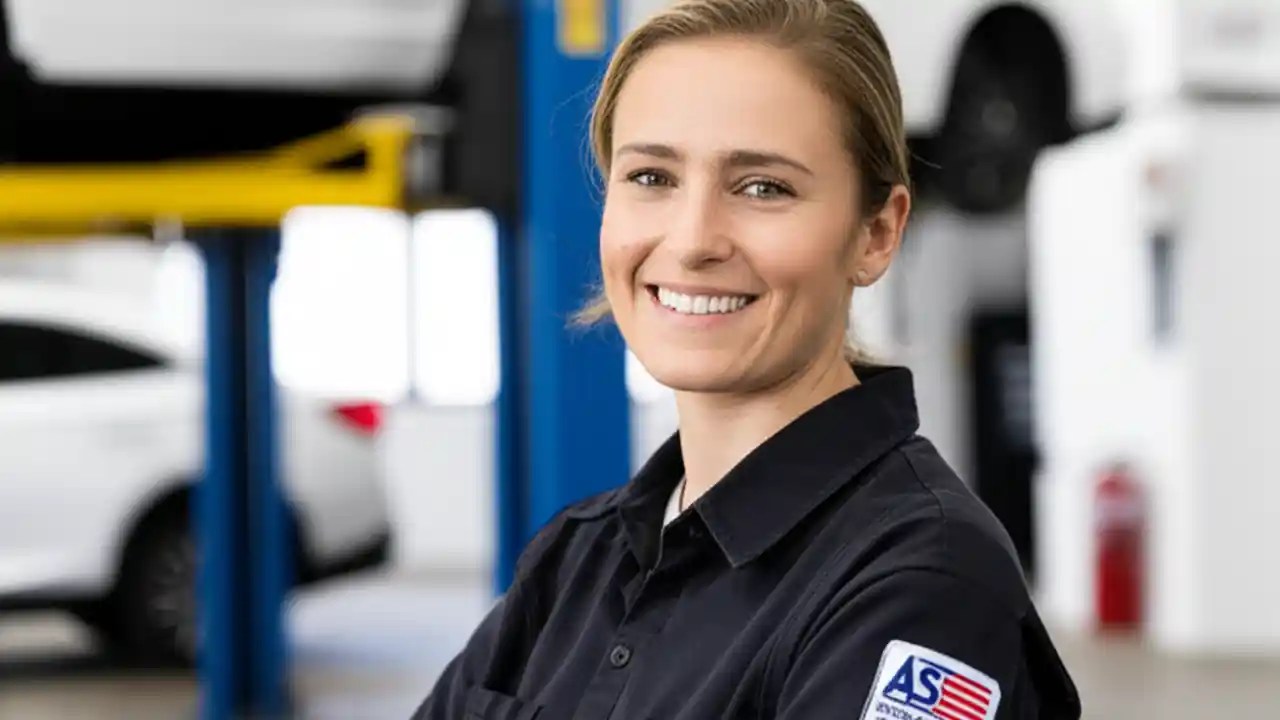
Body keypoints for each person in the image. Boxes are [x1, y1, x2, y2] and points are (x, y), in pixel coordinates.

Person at [413, 0, 1080, 718]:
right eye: (652, 178)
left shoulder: (922, 586)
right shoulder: (575, 558)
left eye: (763, 187)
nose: (694, 239)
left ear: (876, 234)